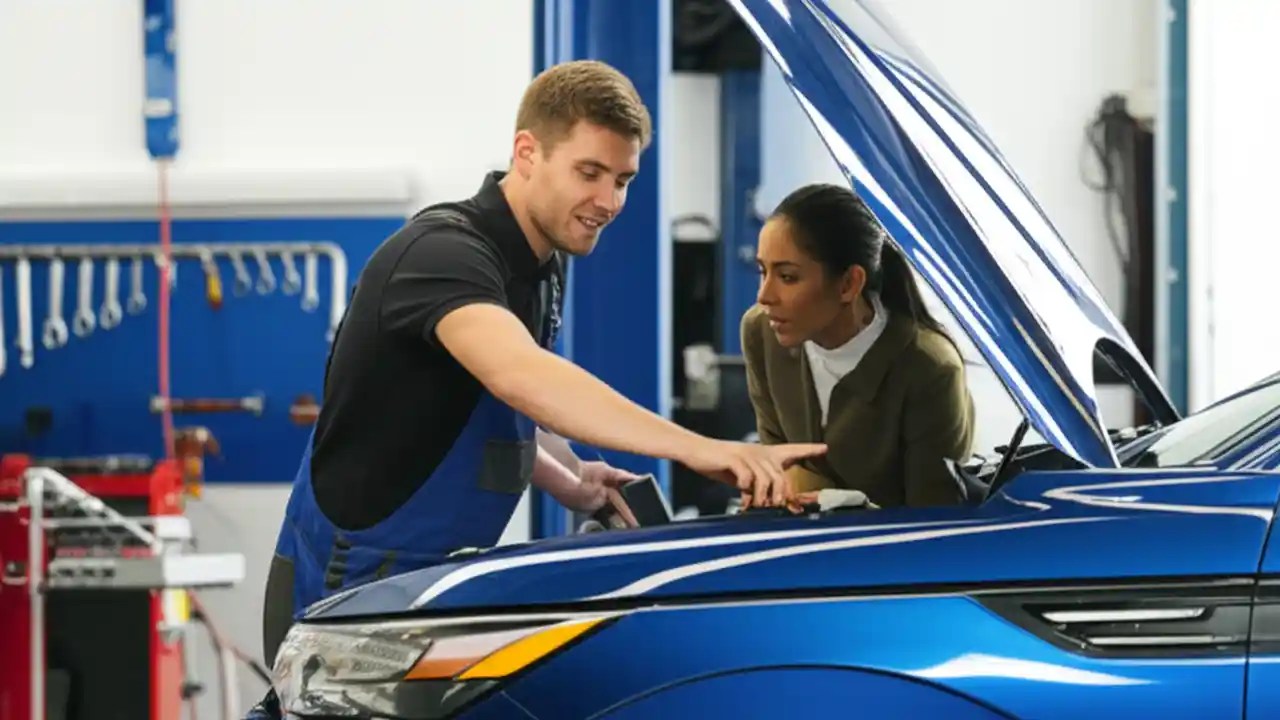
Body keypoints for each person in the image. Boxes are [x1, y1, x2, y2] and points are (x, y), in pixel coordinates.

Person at [247, 59, 827, 718]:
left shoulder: (544, 266)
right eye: (589, 173)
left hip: (433, 580)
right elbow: (520, 374)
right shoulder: (441, 257)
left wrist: (569, 476)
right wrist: (700, 448)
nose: (609, 201)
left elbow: (490, 403)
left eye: (623, 179)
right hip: (350, 579)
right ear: (527, 153)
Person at [741, 182, 974, 509]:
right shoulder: (761, 332)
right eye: (762, 271)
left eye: (788, 277)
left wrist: (855, 509)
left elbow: (935, 522)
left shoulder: (929, 368)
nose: (764, 296)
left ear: (849, 284)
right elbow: (778, 461)